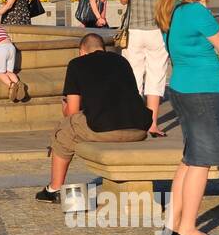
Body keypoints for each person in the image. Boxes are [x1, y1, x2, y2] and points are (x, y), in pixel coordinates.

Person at [156, 0, 219, 235]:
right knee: (201, 161)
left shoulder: (169, 10)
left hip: (180, 86)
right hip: (204, 89)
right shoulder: (196, 12)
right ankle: (188, 226)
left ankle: (172, 220)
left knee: (188, 159)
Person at [35, 33, 152, 202]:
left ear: (82, 51)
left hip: (104, 128)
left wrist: (64, 106)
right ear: (103, 49)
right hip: (138, 128)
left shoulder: (77, 64)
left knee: (64, 129)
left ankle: (54, 189)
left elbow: (73, 111)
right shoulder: (121, 61)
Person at [123, 0, 169, 137]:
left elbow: (123, 0)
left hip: (134, 33)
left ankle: (133, 120)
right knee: (156, 77)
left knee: (133, 76)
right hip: (156, 33)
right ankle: (152, 124)